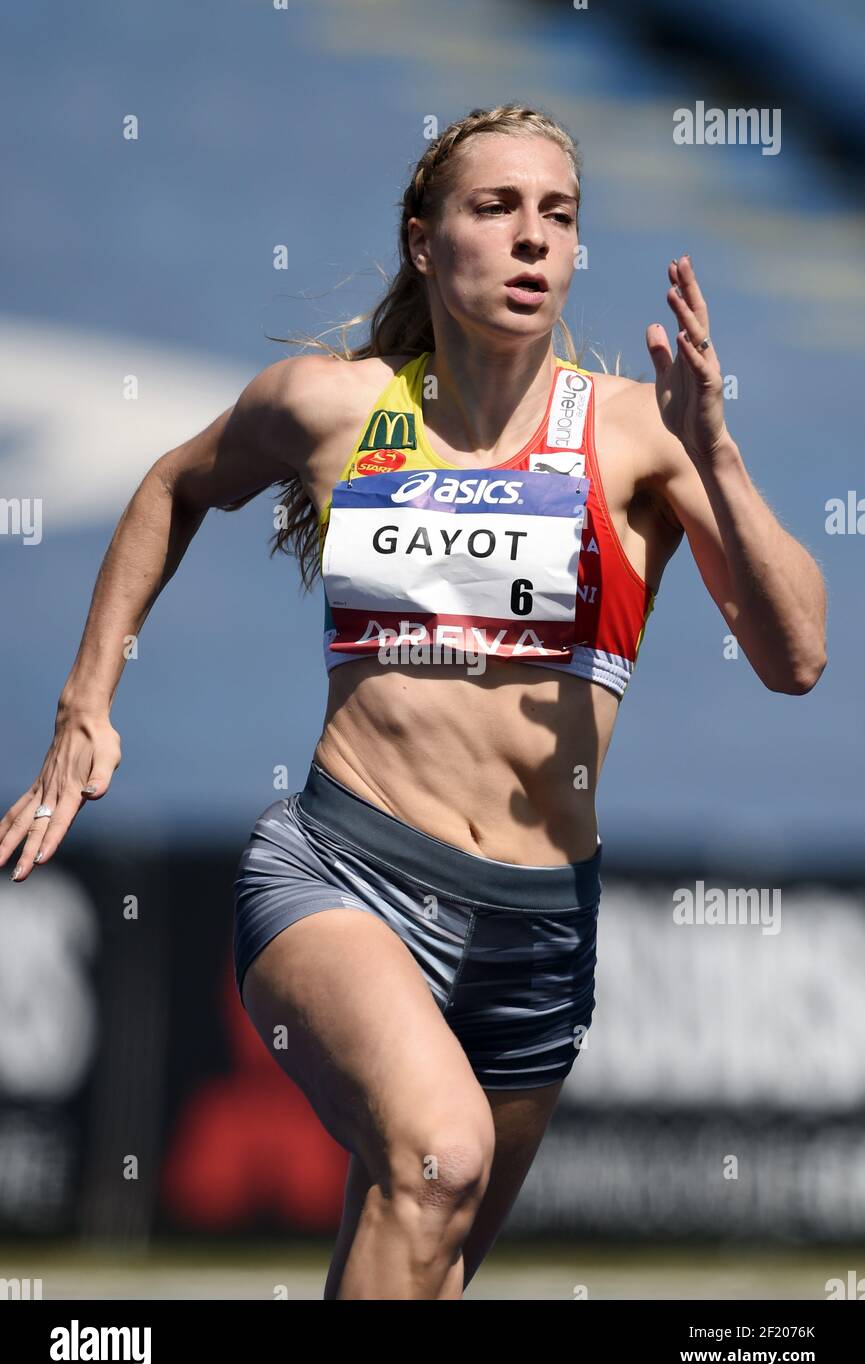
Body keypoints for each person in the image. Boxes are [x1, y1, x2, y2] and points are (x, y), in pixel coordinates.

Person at [0, 104, 827, 1300]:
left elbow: (794, 654)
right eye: (496, 209)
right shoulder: (332, 406)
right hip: (345, 870)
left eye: (559, 215)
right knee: (438, 1161)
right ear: (425, 244)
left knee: (422, 1258)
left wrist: (721, 454)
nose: (533, 239)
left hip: (536, 929)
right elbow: (174, 484)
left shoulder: (638, 434)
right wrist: (88, 696)